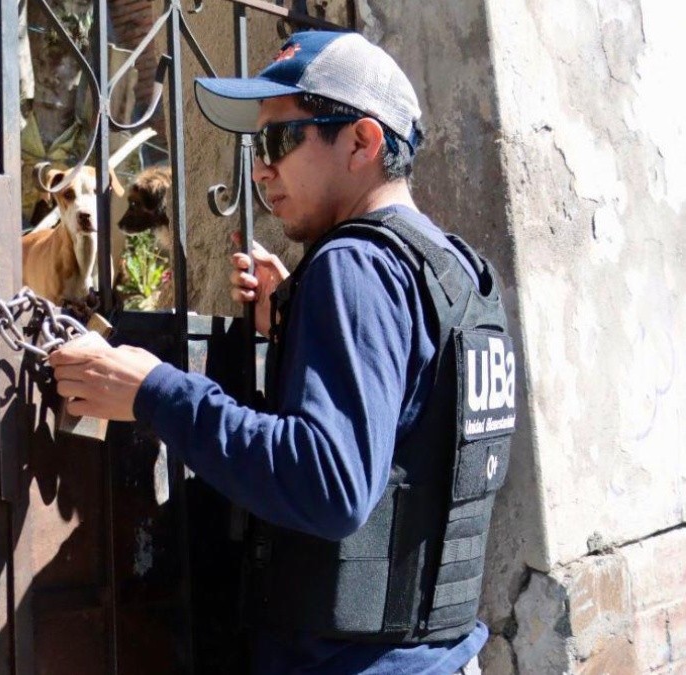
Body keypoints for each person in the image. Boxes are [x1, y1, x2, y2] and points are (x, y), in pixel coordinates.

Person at [49, 30, 517, 674]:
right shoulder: (455, 271)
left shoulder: (353, 268)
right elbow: (417, 438)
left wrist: (155, 391)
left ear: (361, 141)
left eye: (280, 140)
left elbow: (331, 485)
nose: (261, 167)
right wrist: (296, 323)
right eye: (256, 144)